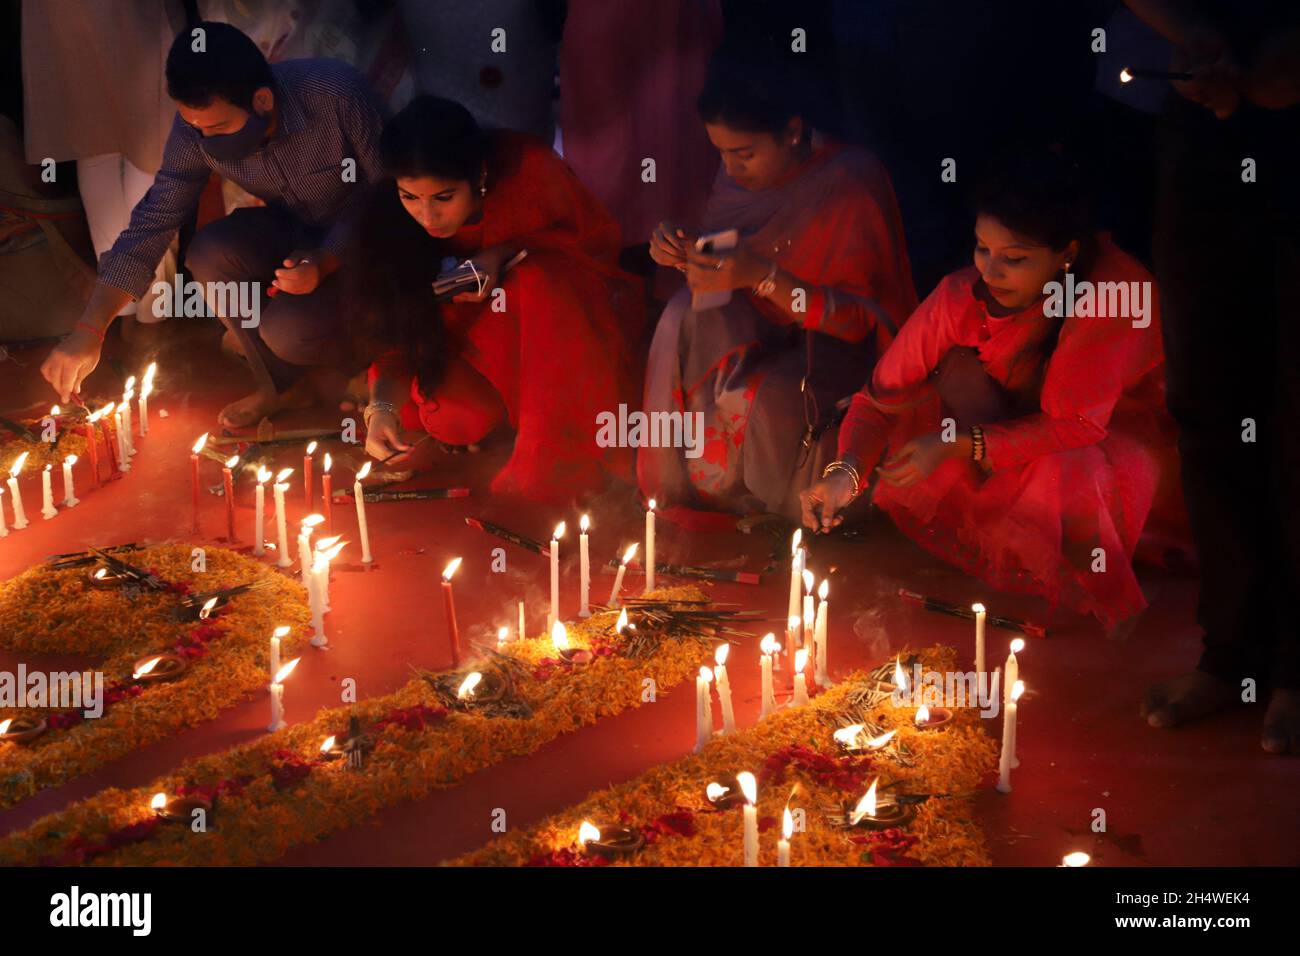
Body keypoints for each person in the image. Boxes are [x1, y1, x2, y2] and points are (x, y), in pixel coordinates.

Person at [801, 149, 1185, 640]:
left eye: (1015, 258)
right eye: (982, 249)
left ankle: (1113, 597)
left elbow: (1079, 425)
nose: (991, 272)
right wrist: (844, 474)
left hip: (1117, 431)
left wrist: (958, 443)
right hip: (1009, 424)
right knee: (941, 386)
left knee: (1066, 467)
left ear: (1066, 253)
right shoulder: (959, 298)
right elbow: (879, 398)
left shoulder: (1114, 292)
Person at [39, 20, 383, 428]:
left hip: (371, 240)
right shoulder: (196, 130)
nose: (206, 140)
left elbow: (393, 195)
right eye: (197, 128)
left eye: (218, 128)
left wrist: (328, 259)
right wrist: (89, 329)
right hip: (294, 228)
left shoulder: (336, 94)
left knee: (291, 332)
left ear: (262, 100)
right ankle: (284, 387)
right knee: (210, 252)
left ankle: (373, 368)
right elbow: (153, 223)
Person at [638, 45, 916, 520]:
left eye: (743, 154)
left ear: (791, 131)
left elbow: (859, 322)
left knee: (765, 399)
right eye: (720, 153)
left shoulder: (849, 181)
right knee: (680, 312)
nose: (729, 169)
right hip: (755, 325)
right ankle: (671, 491)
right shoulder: (737, 179)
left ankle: (781, 512)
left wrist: (765, 278)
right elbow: (727, 255)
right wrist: (684, 251)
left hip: (828, 347)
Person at [1125, 0, 1300, 753]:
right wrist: (1188, 35)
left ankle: (1298, 666)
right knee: (1205, 400)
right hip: (1203, 126)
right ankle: (1233, 655)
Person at [354, 96, 644, 503]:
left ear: (481, 176)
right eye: (410, 198)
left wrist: (506, 252)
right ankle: (515, 415)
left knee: (538, 278)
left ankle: (549, 437)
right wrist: (380, 408)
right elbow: (397, 324)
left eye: (443, 198)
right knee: (451, 420)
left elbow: (593, 248)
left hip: (552, 320)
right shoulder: (392, 217)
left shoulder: (530, 169)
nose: (427, 217)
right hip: (466, 332)